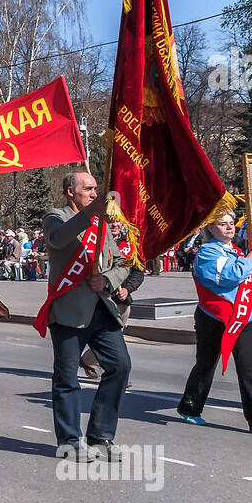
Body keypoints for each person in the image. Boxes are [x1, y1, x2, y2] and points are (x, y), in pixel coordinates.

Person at [39, 171, 133, 461]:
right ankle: (68, 441)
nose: (94, 194)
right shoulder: (56, 216)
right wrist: (92, 213)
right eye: (88, 189)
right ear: (70, 191)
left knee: (120, 367)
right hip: (69, 313)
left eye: (96, 189)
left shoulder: (101, 224)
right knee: (67, 378)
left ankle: (100, 435)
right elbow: (57, 239)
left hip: (101, 310)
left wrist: (106, 280)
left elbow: (121, 262)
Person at [176, 210, 252, 436]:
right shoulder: (206, 253)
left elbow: (246, 285)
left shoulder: (237, 252)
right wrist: (249, 261)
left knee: (249, 369)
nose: (229, 227)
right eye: (222, 224)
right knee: (206, 365)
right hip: (214, 318)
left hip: (242, 319)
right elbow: (227, 276)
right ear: (210, 229)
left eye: (232, 223)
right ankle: (190, 407)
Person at [81, 221, 145, 380]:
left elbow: (138, 273)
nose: (115, 225)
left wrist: (127, 289)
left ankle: (88, 361)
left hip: (120, 301)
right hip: (98, 299)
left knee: (115, 339)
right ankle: (115, 374)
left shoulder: (130, 245)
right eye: (110, 222)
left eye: (118, 222)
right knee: (103, 338)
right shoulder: (94, 241)